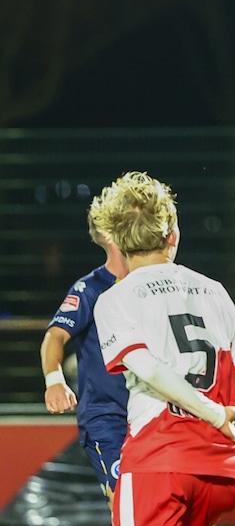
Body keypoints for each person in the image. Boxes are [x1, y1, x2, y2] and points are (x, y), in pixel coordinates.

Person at [91, 172, 235, 526]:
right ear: (172, 235)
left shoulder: (114, 299)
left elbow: (150, 369)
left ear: (116, 242)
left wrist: (215, 415)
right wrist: (229, 417)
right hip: (218, 468)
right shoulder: (214, 290)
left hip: (160, 459)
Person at [40, 214, 130, 502]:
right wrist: (55, 381)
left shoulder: (151, 285)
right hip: (109, 419)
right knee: (126, 500)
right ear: (110, 235)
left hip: (154, 415)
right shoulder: (90, 288)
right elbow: (55, 336)